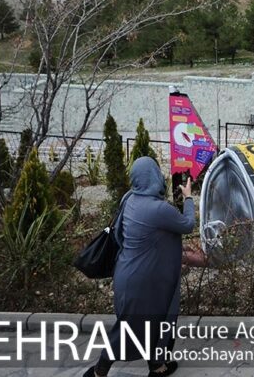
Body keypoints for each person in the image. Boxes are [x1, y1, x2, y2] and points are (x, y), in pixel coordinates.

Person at [84, 157, 199, 377]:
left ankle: (157, 366)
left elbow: (122, 234)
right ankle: (99, 371)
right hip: (144, 282)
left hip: (129, 275)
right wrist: (189, 197)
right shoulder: (158, 209)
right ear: (155, 176)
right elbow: (187, 224)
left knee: (151, 323)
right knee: (131, 329)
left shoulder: (129, 199)